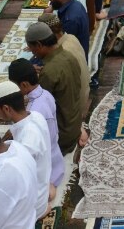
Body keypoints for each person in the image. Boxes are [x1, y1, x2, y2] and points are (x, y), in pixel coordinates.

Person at [0, 80, 56, 219]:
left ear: (7, 109)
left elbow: (17, 181)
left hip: (34, 205)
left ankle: (39, 212)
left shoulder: (27, 141)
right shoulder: (35, 115)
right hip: (41, 189)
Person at [24, 21, 82, 151]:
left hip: (63, 134)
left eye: (32, 49)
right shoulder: (69, 56)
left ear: (39, 44)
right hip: (75, 124)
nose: (33, 53)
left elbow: (40, 108)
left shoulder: (49, 71)